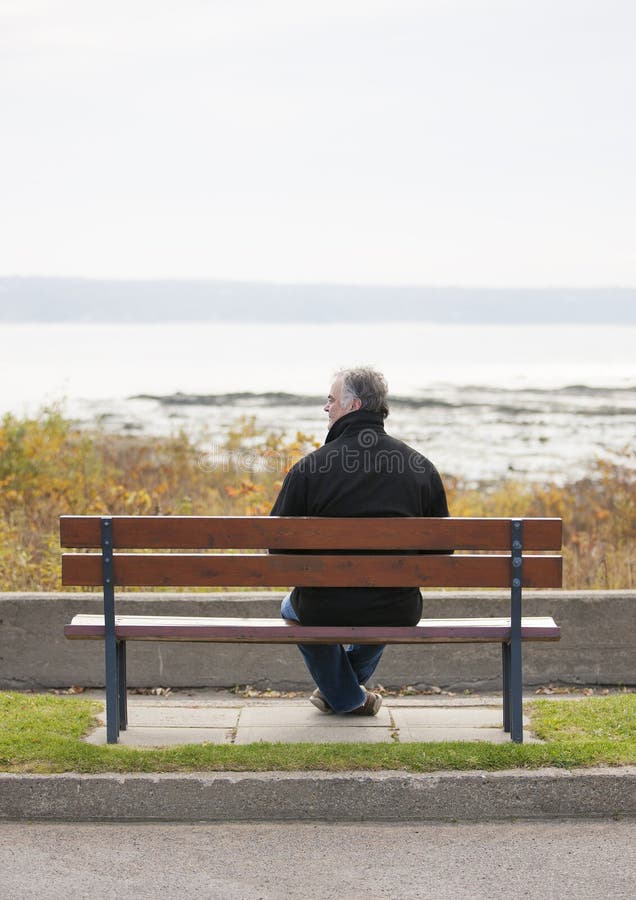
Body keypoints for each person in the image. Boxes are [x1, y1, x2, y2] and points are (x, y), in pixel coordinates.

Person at [270, 367, 450, 715]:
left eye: (331, 399)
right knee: (383, 600)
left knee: (290, 608)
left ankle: (344, 696)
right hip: (397, 607)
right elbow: (441, 550)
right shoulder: (420, 467)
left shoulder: (309, 469)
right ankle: (345, 691)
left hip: (322, 607)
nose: (326, 407)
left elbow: (278, 548)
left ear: (353, 405)